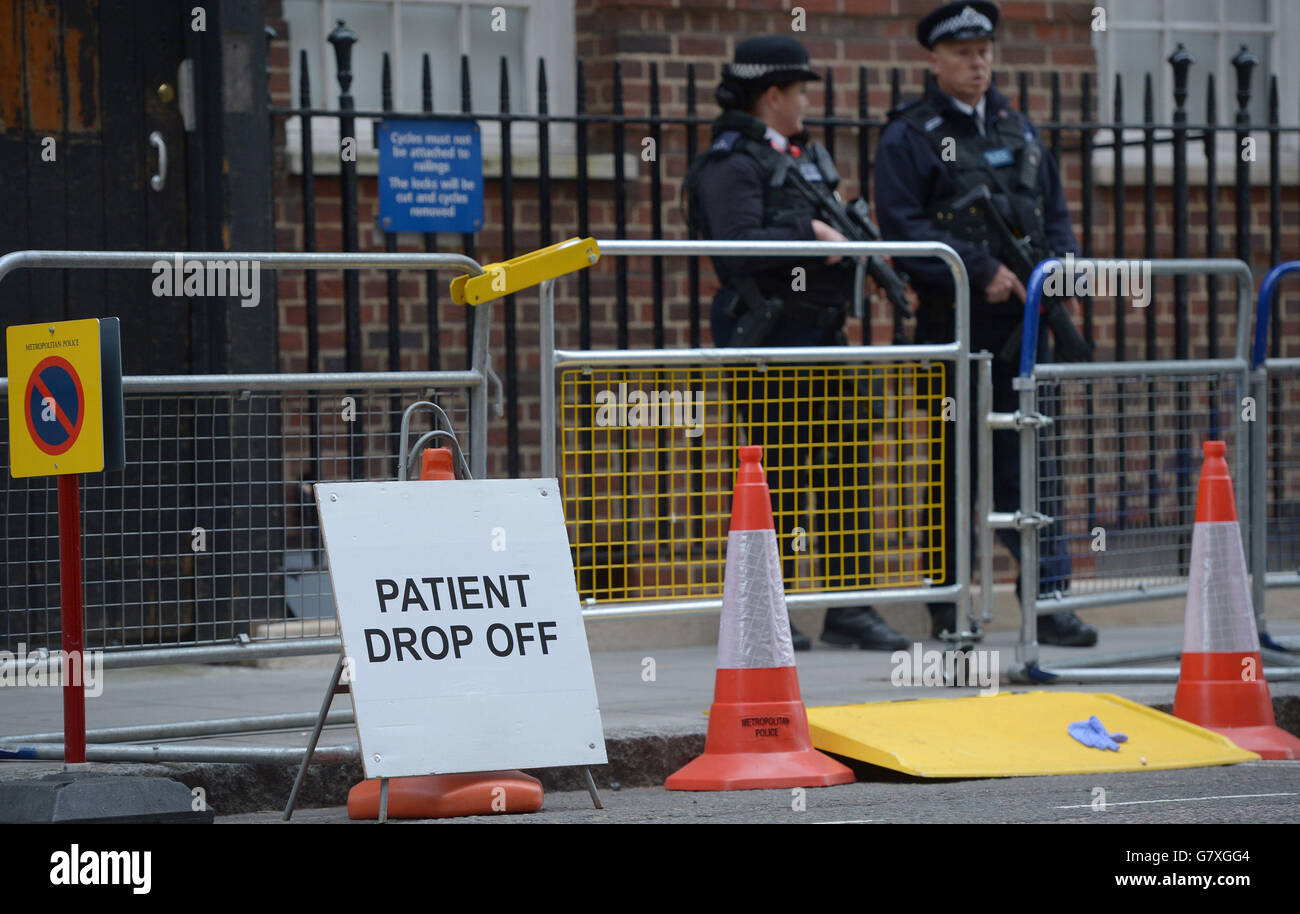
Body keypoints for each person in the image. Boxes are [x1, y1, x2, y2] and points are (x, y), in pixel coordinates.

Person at [874, 1, 1098, 646]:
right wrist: (978, 268)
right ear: (935, 59)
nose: (978, 63)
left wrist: (1059, 273)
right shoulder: (910, 135)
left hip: (1024, 334)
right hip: (957, 333)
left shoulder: (1018, 129)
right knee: (954, 469)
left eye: (985, 51)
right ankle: (949, 606)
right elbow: (905, 231)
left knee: (1032, 460)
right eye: (964, 53)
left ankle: (1048, 600)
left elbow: (1055, 217)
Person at [682, 36, 910, 652]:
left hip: (822, 337)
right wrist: (807, 232)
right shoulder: (733, 160)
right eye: (799, 90)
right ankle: (763, 617)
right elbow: (737, 246)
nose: (808, 100)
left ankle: (850, 608)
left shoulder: (801, 156)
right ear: (771, 95)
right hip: (770, 340)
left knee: (845, 473)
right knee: (773, 479)